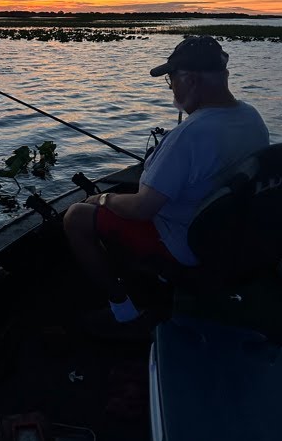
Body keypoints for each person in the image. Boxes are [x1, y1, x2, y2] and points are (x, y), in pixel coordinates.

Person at [62, 35, 270, 327]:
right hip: (229, 238)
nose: (171, 87)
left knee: (77, 216)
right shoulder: (252, 117)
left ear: (191, 80)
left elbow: (142, 208)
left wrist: (103, 198)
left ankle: (123, 312)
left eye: (172, 80)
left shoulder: (191, 134)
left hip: (185, 243)